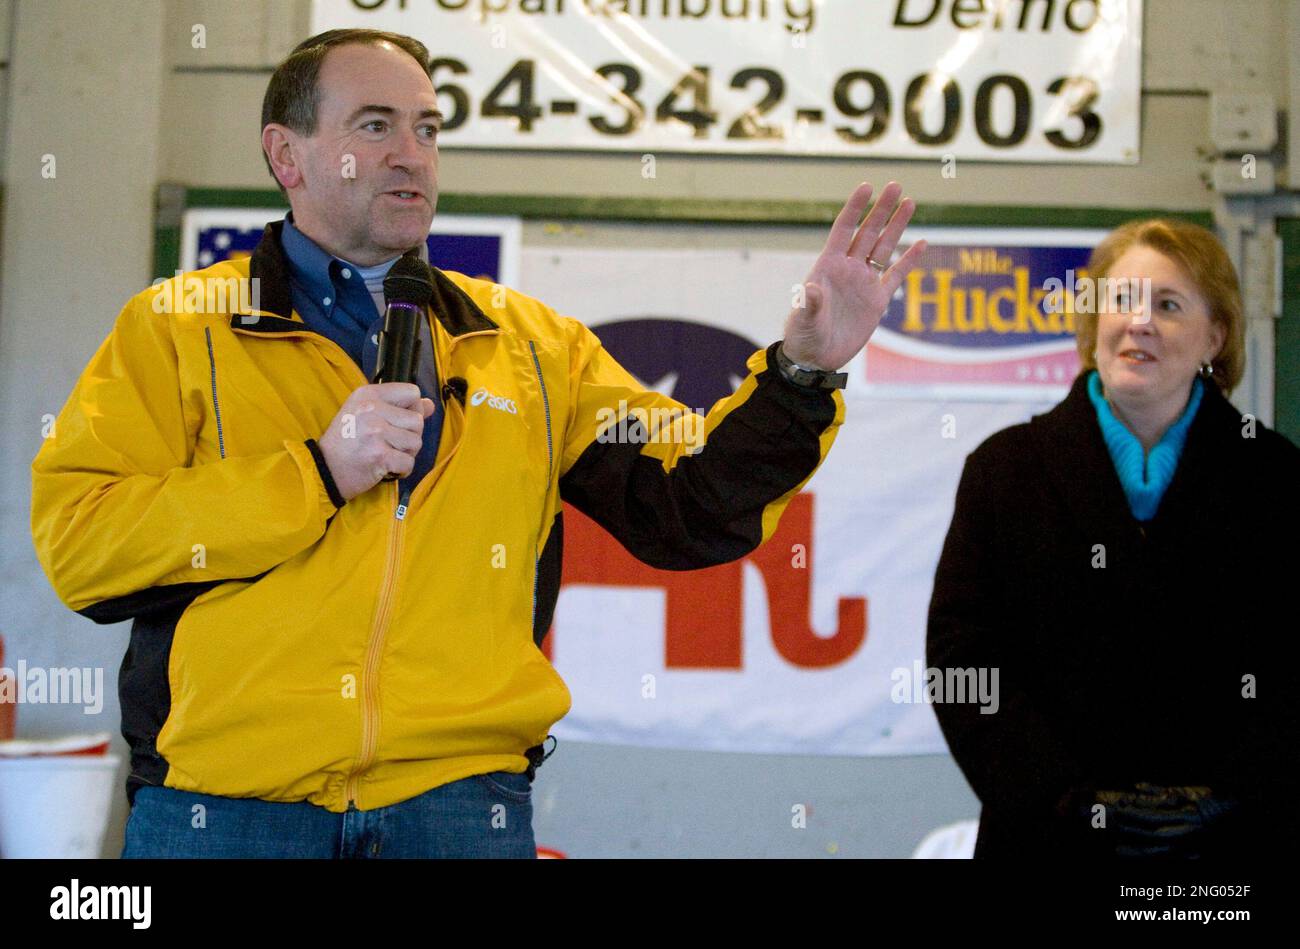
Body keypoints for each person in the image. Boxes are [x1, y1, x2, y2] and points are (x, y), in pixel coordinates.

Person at [29, 29, 926, 858]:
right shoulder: (176, 327)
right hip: (221, 812)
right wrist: (313, 474)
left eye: (426, 127)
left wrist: (801, 375)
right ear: (284, 154)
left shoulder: (532, 347)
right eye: (374, 124)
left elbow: (690, 505)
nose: (409, 152)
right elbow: (82, 543)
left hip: (460, 809)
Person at [926, 217, 1298, 858]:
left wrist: (1233, 792)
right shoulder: (1007, 469)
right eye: (1120, 301)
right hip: (1049, 843)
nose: (1140, 322)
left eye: (1170, 305)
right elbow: (963, 664)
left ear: (1215, 335)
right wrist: (1062, 799)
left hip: (1225, 850)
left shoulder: (1277, 477)